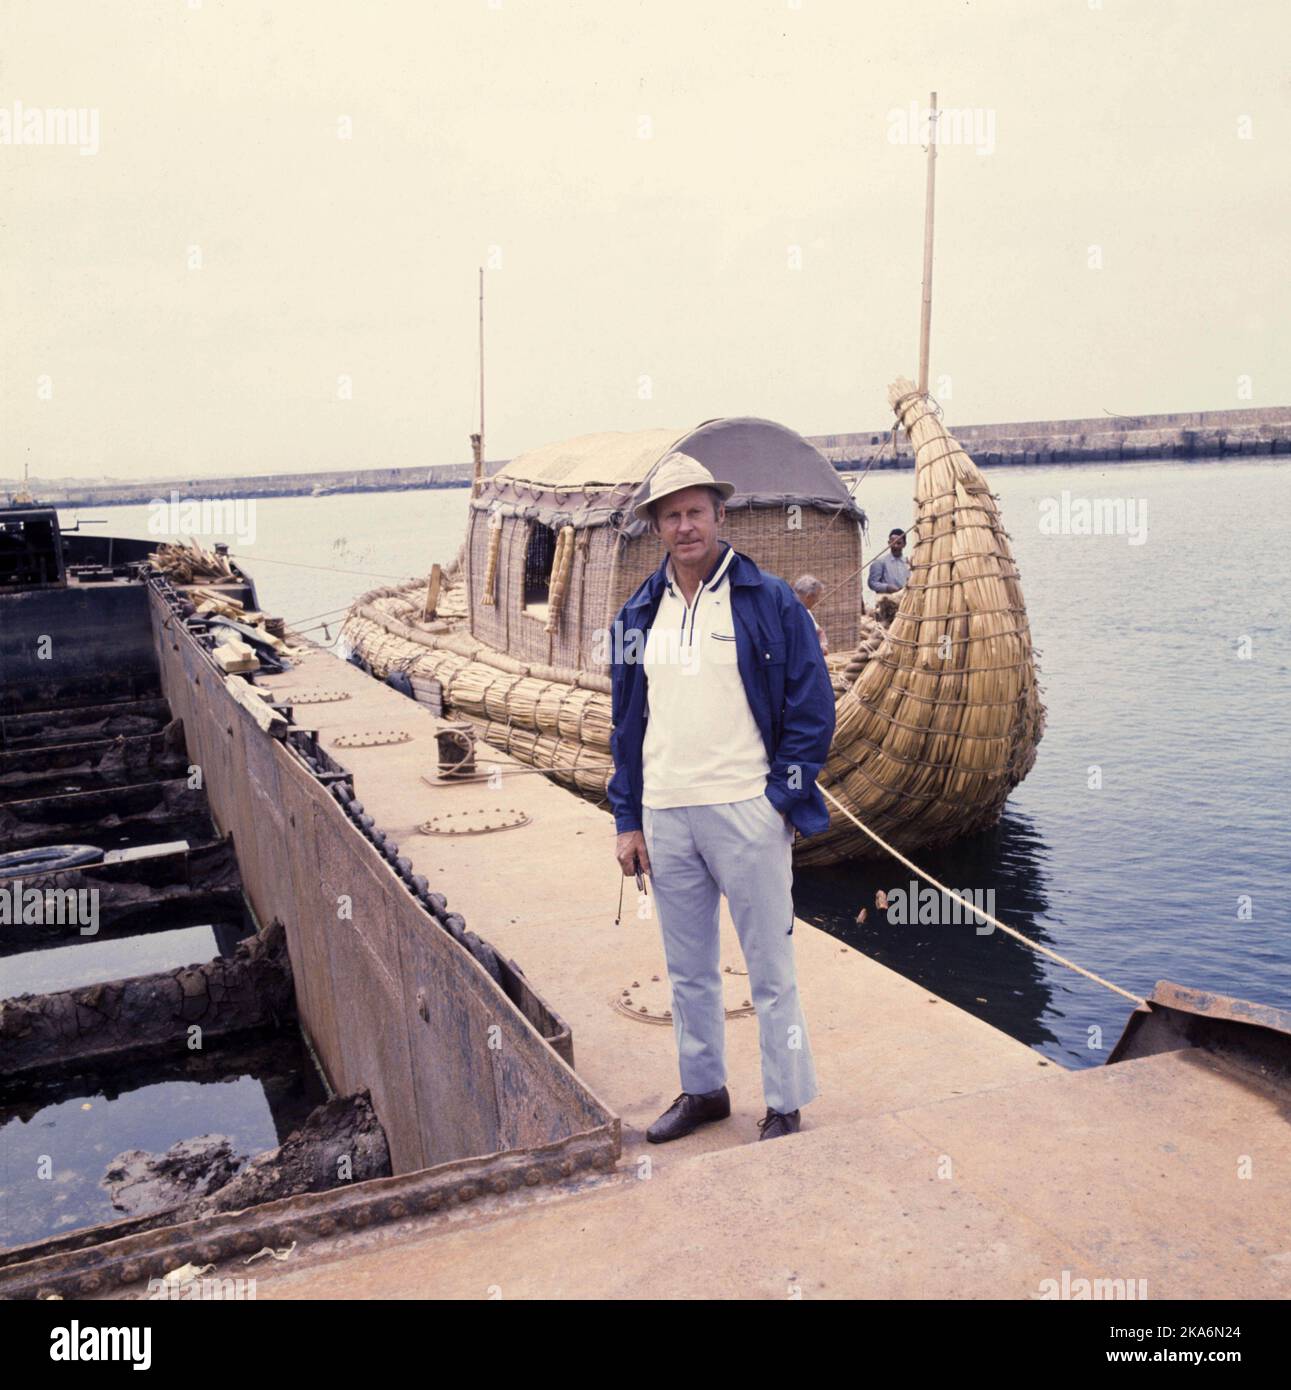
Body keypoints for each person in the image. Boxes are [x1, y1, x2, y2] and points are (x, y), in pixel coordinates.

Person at [608, 452, 836, 1144]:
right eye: (670, 515)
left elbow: (812, 710)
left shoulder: (768, 602)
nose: (684, 526)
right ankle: (703, 1091)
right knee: (688, 971)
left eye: (695, 512)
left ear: (719, 516)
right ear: (656, 526)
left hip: (746, 809)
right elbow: (625, 725)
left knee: (770, 969)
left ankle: (785, 1102)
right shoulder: (637, 611)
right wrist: (627, 819)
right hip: (666, 813)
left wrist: (777, 801)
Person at [791, 574, 829, 655]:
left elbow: (820, 632)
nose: (817, 600)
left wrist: (823, 644)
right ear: (808, 597)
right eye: (817, 597)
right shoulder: (787, 612)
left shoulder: (806, 611)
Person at [868, 527, 910, 594]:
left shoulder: (909, 563)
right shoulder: (880, 562)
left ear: (904, 544)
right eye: (893, 542)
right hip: (886, 601)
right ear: (889, 543)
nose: (895, 546)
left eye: (899, 543)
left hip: (906, 601)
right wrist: (886, 587)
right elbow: (872, 583)